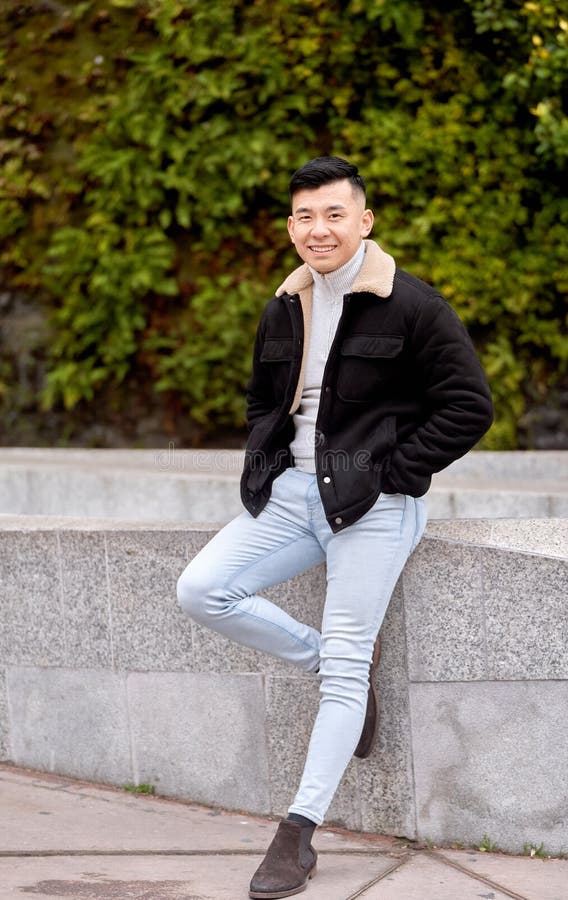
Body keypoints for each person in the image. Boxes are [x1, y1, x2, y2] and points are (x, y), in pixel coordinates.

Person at [177, 156, 494, 899]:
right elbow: (263, 400)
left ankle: (297, 832)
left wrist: (392, 471)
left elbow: (469, 406)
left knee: (354, 663)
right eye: (304, 217)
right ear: (291, 227)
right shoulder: (282, 307)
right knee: (202, 588)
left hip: (374, 505)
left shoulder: (412, 305)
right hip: (293, 496)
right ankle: (324, 661)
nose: (318, 229)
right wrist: (268, 463)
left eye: (333, 214)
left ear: (363, 221)